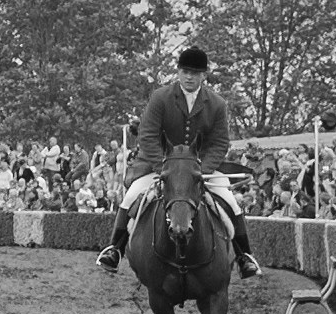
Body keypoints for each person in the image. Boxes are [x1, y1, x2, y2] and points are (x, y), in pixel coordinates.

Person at [99, 47, 261, 277]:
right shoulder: (160, 97)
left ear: (204, 75)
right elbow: (147, 135)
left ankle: (245, 255)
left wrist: (199, 170)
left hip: (200, 169)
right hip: (159, 165)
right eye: (185, 71)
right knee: (132, 195)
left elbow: (219, 143)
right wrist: (163, 167)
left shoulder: (217, 104)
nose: (189, 76)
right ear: (178, 71)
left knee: (230, 200)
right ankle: (114, 249)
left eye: (195, 73)